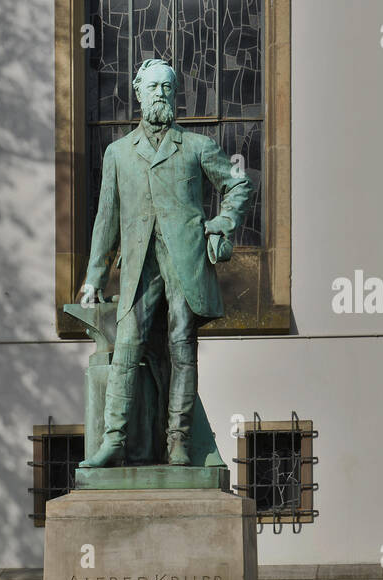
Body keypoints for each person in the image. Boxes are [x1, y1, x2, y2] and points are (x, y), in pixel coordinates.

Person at [78, 57, 252, 467]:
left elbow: (237, 184)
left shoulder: (195, 146)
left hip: (185, 261)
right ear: (138, 93)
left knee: (181, 347)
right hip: (139, 264)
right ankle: (113, 440)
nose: (161, 94)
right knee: (126, 346)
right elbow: (106, 220)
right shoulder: (118, 153)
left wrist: (221, 224)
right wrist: (94, 277)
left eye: (167, 87)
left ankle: (178, 439)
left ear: (174, 94)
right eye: (153, 87)